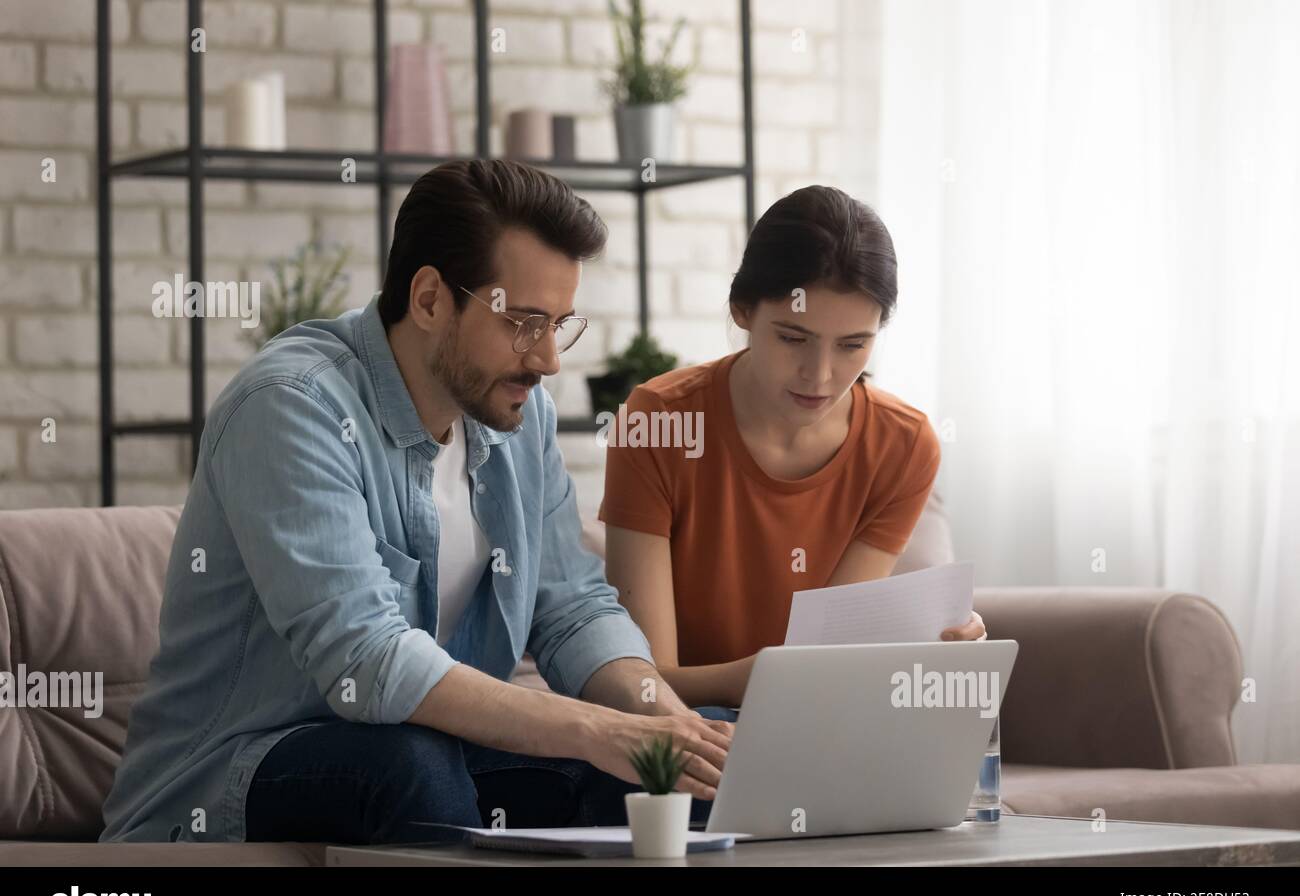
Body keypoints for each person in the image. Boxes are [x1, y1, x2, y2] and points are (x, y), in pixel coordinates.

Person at [100, 159, 732, 845]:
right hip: (233, 775)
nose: (549, 359)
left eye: (559, 324)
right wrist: (591, 728)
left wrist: (666, 724)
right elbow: (367, 658)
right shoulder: (290, 406)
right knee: (408, 767)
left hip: (428, 755)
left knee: (672, 764)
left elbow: (573, 609)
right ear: (430, 299)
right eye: (523, 323)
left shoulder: (520, 416)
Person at [600, 185, 985, 711]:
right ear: (741, 310)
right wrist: (754, 677)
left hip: (817, 719)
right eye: (793, 338)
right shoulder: (659, 420)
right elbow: (646, 682)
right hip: (685, 723)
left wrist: (932, 647)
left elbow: (827, 653)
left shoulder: (905, 444)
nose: (821, 376)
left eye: (853, 345)